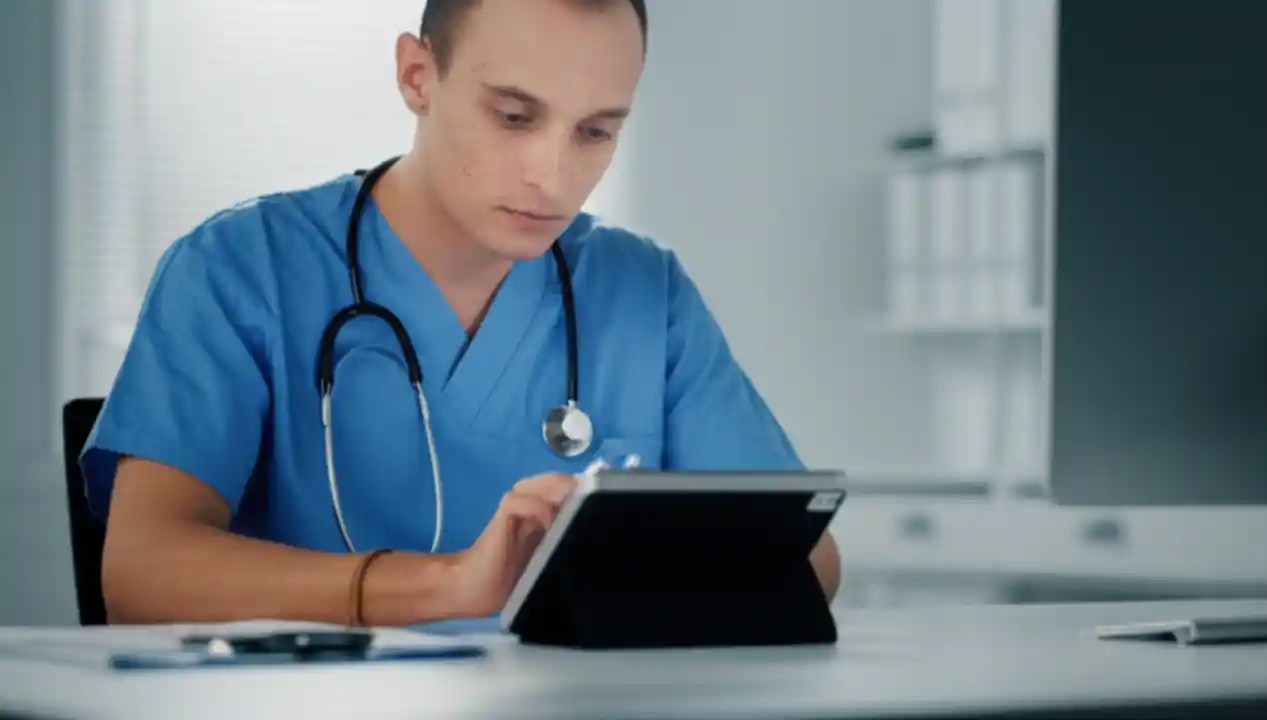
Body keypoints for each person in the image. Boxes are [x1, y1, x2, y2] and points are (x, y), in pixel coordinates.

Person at [82, 0, 841, 627]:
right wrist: (452, 585)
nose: (553, 176)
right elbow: (142, 575)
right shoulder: (241, 268)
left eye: (596, 131)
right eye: (514, 117)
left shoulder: (643, 291)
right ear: (417, 76)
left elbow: (807, 557)